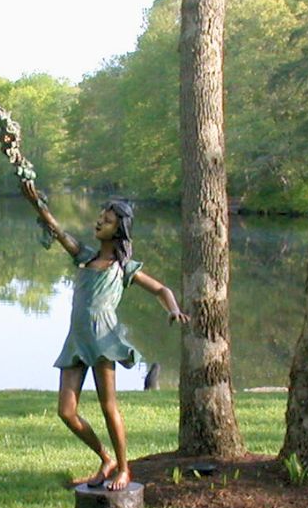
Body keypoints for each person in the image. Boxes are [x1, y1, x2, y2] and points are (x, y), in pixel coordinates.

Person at [20, 180, 188, 491]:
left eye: (107, 220)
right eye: (100, 217)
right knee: (66, 412)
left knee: (108, 406)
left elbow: (161, 289)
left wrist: (173, 309)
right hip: (76, 341)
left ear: (120, 229)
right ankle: (105, 458)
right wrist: (36, 203)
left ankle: (124, 469)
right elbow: (57, 231)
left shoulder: (123, 268)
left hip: (104, 340)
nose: (99, 221)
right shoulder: (84, 256)